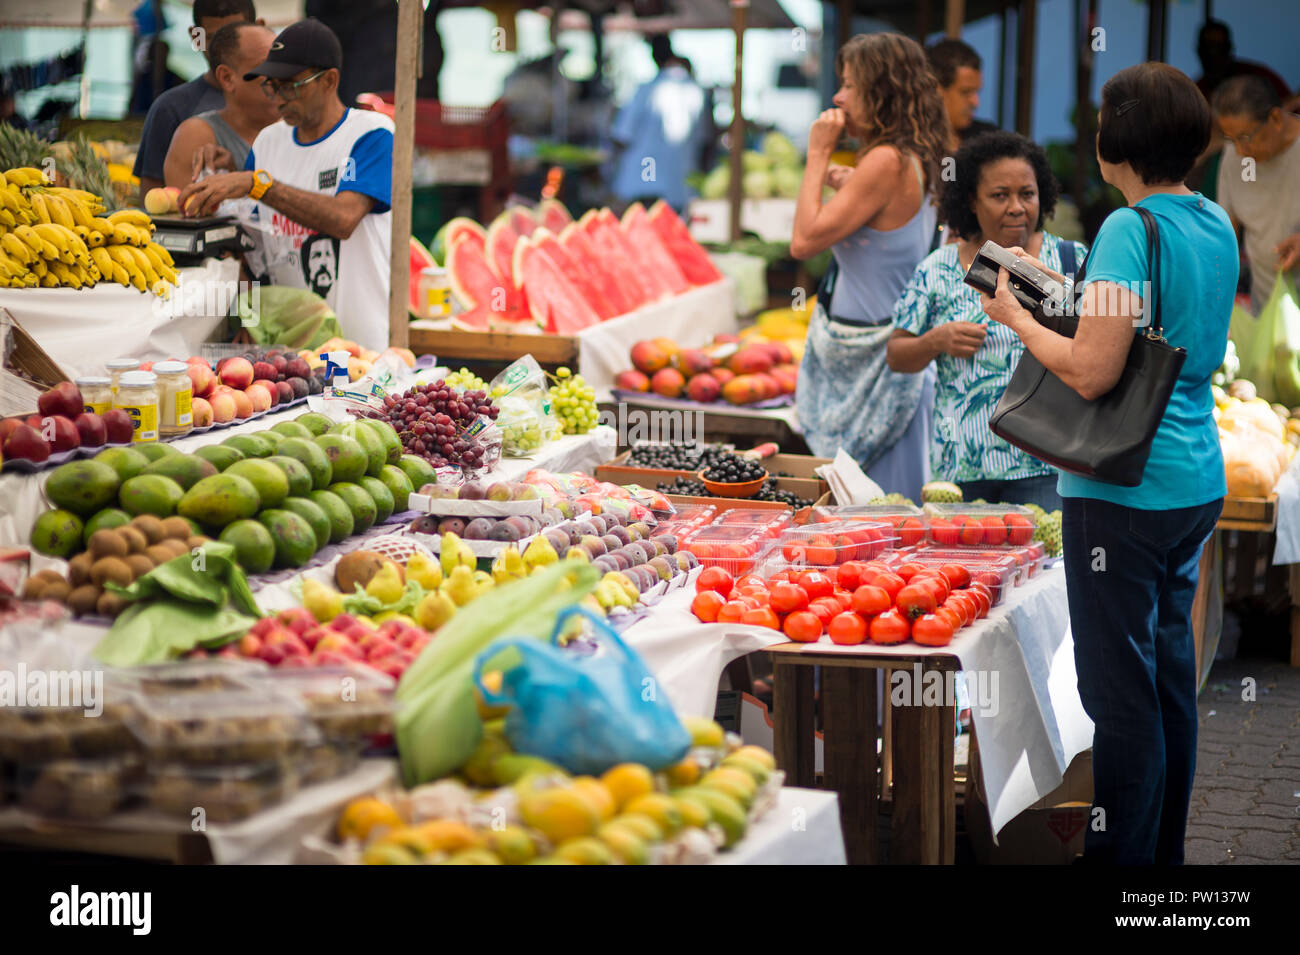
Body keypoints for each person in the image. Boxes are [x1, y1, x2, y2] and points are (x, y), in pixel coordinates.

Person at [979, 63, 1236, 864]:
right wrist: (1076, 296)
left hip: (1122, 490)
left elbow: (1092, 369)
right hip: (1192, 478)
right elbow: (1162, 329)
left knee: (1118, 694)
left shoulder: (1131, 228)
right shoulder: (1212, 221)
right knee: (1166, 683)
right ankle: (1163, 860)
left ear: (1114, 141)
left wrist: (1015, 315)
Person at [790, 32, 949, 503]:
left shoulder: (884, 161)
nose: (838, 98)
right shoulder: (909, 157)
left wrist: (818, 153)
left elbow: (803, 241)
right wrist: (847, 178)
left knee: (876, 526)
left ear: (880, 92)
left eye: (849, 86)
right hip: (895, 365)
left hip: (880, 369)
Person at [887, 132, 1083, 510]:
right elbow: (896, 354)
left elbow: (1106, 334)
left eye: (1027, 193)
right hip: (959, 470)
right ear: (971, 203)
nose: (1016, 207)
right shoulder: (938, 268)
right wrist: (936, 341)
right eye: (999, 195)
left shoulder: (1069, 261)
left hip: (1045, 465)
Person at [177, 18, 394, 352]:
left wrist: (257, 184)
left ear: (329, 80)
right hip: (291, 354)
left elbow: (344, 218)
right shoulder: (267, 143)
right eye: (271, 86)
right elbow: (246, 249)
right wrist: (249, 317)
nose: (277, 98)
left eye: (290, 86)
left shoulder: (371, 134)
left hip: (361, 348)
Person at [132, 0, 258, 200]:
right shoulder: (170, 108)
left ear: (258, 29)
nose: (224, 49)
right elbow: (153, 198)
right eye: (213, 38)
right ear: (196, 37)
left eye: (234, 37)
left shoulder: (277, 102)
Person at [1213, 76, 1300, 313]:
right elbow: (1225, 235)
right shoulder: (1234, 158)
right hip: (1267, 320)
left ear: (1275, 118)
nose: (1241, 152)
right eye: (1231, 140)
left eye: (1245, 138)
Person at [163, 22, 279, 189]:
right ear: (227, 78)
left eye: (282, 65)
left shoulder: (300, 125)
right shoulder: (197, 136)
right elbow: (187, 208)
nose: (280, 76)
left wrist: (239, 179)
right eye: (266, 67)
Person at [610, 36, 707, 213]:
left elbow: (622, 134)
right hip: (681, 187)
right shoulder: (697, 92)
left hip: (644, 181)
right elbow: (703, 139)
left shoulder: (646, 90)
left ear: (654, 56)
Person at [1194, 20, 1290, 104]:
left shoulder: (1259, 78)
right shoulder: (1197, 92)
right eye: (1208, 48)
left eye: (1220, 47)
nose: (1213, 53)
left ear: (1229, 49)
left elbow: (1291, 109)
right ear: (1199, 51)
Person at [925, 38, 998, 149]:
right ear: (937, 91)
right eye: (966, 92)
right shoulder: (910, 148)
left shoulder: (990, 142)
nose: (975, 102)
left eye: (977, 92)